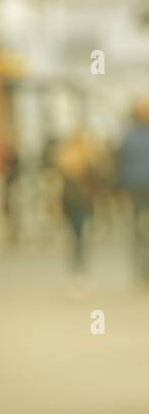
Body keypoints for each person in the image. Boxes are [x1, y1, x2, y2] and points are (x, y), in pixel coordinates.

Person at [52, 130, 113, 274]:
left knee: (74, 231)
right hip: (83, 200)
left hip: (69, 200)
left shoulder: (65, 160)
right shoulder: (88, 159)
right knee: (81, 232)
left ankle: (76, 259)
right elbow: (100, 176)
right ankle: (80, 259)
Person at [118, 99, 149, 285]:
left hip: (134, 187)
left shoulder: (127, 136)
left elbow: (121, 164)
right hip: (139, 186)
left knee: (137, 230)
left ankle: (140, 270)